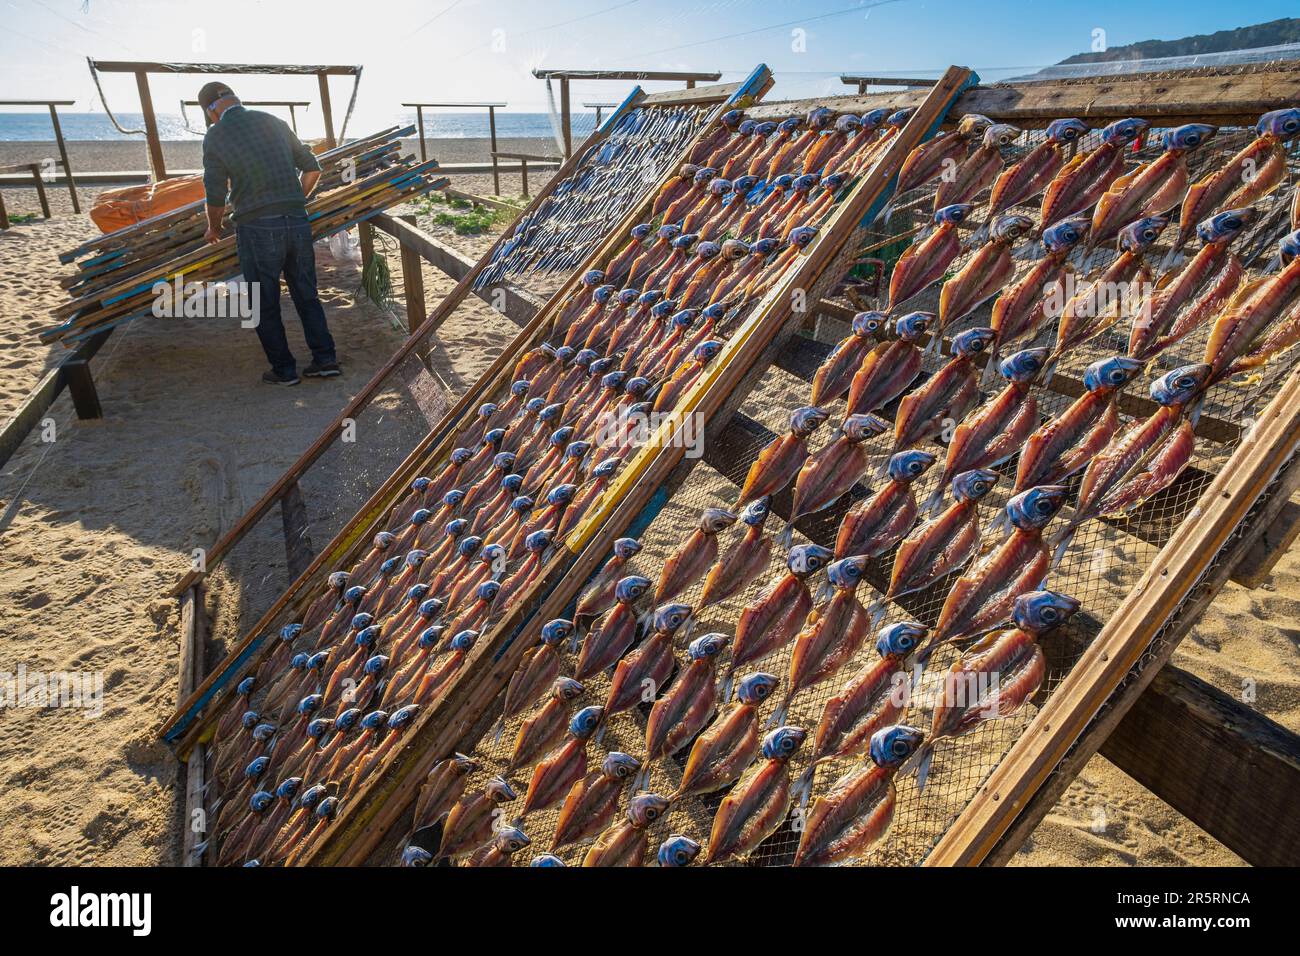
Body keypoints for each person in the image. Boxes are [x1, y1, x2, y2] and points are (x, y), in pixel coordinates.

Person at [199, 81, 340, 385]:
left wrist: (213, 226)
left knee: (263, 300)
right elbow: (312, 167)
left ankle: (284, 370)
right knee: (306, 293)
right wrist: (297, 200)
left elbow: (214, 192)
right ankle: (325, 360)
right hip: (297, 221)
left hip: (257, 226)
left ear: (212, 110)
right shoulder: (273, 122)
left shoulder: (216, 135)